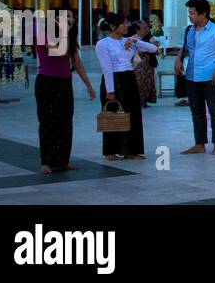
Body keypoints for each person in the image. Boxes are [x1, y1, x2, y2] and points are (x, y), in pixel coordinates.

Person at [34, 11, 95, 173]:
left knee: (65, 122)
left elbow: (77, 62)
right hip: (47, 82)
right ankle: (46, 162)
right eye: (66, 16)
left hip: (64, 83)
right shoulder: (43, 33)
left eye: (72, 17)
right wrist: (65, 32)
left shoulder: (70, 39)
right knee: (48, 122)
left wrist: (89, 85)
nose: (70, 19)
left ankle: (62, 160)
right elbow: (57, 50)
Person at [174, 0, 215, 155]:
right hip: (192, 76)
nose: (190, 16)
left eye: (192, 13)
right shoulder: (189, 30)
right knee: (196, 112)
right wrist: (178, 59)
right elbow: (186, 48)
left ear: (203, 14)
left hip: (211, 77)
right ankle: (199, 144)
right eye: (189, 13)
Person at [94, 12, 157, 160]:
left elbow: (153, 49)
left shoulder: (129, 40)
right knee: (113, 114)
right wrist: (110, 91)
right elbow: (107, 69)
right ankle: (111, 150)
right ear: (112, 26)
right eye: (122, 23)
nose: (126, 26)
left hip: (129, 78)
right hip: (114, 79)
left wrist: (135, 41)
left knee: (133, 113)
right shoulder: (103, 44)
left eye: (126, 23)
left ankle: (132, 150)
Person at [130, 21, 159, 107]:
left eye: (147, 28)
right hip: (139, 64)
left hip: (149, 64)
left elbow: (156, 51)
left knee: (149, 83)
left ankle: (145, 101)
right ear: (137, 30)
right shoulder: (133, 39)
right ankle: (139, 101)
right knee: (140, 82)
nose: (147, 30)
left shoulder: (150, 38)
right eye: (144, 28)